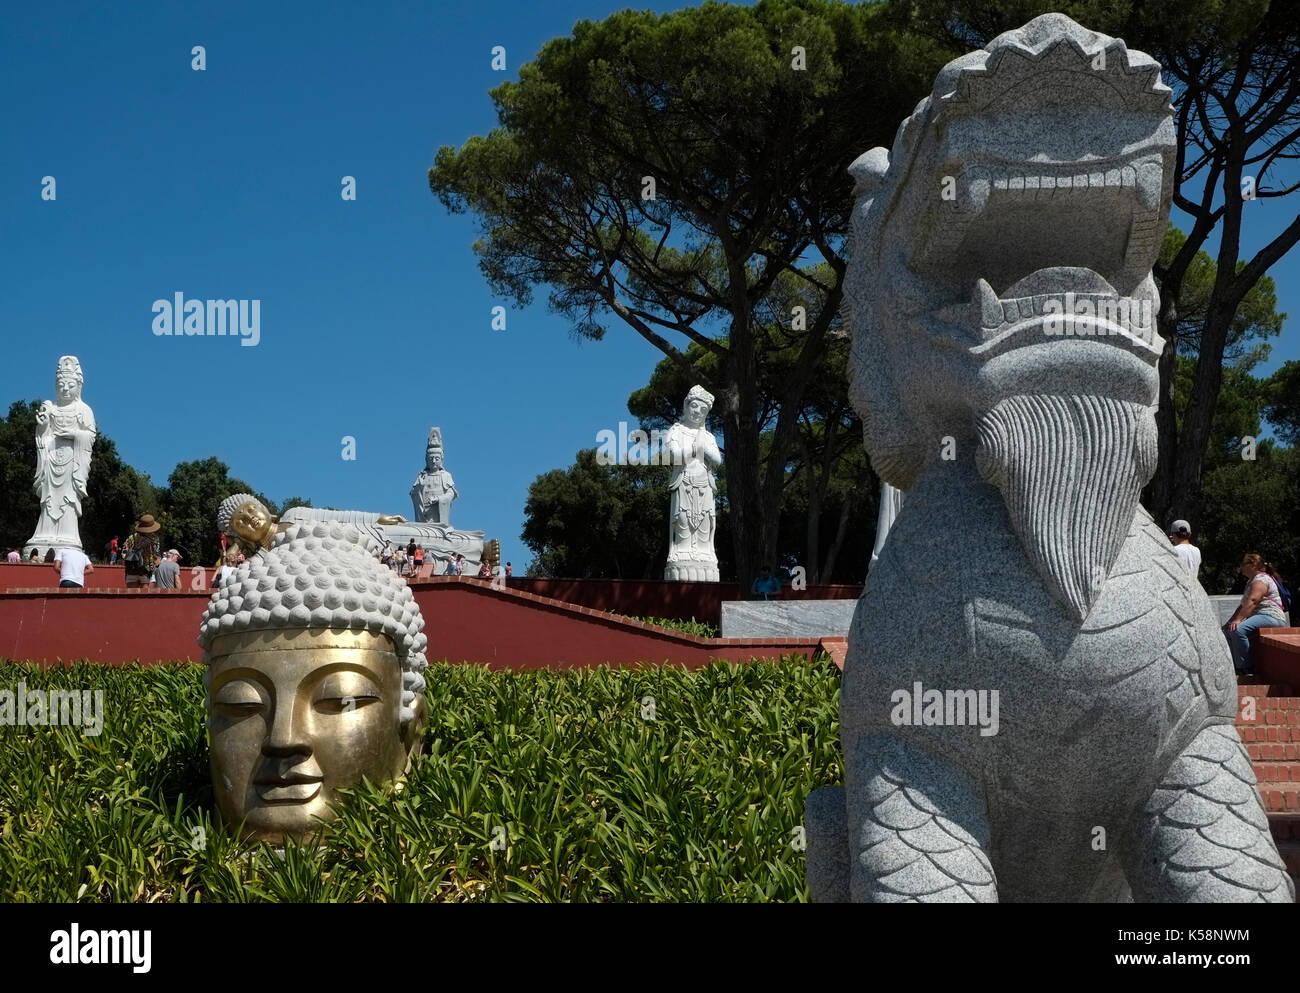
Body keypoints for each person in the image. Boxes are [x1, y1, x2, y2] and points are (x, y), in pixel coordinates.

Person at [1223, 553, 1290, 675]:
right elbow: (1243, 606)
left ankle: (1246, 668)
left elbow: (1253, 600)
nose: (1241, 567)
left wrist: (1238, 621)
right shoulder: (1251, 581)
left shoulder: (1261, 579)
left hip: (1271, 616)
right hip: (1260, 616)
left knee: (1238, 630)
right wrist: (1230, 622)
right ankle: (1235, 666)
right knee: (1227, 631)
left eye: (1243, 564)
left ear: (1253, 564)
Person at [122, 514, 162, 588]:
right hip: (146, 571)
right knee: (145, 598)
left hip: (131, 570)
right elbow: (156, 557)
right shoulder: (155, 539)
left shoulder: (131, 538)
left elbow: (124, 554)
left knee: (131, 597)